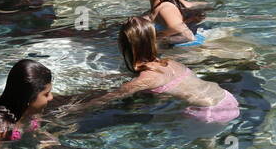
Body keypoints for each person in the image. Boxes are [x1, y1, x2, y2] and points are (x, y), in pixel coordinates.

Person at [83, 17, 239, 124]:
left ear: (124, 47)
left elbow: (108, 98)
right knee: (207, 140)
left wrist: (77, 109)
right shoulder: (171, 63)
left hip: (209, 112)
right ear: (153, 41)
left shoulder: (145, 79)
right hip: (226, 98)